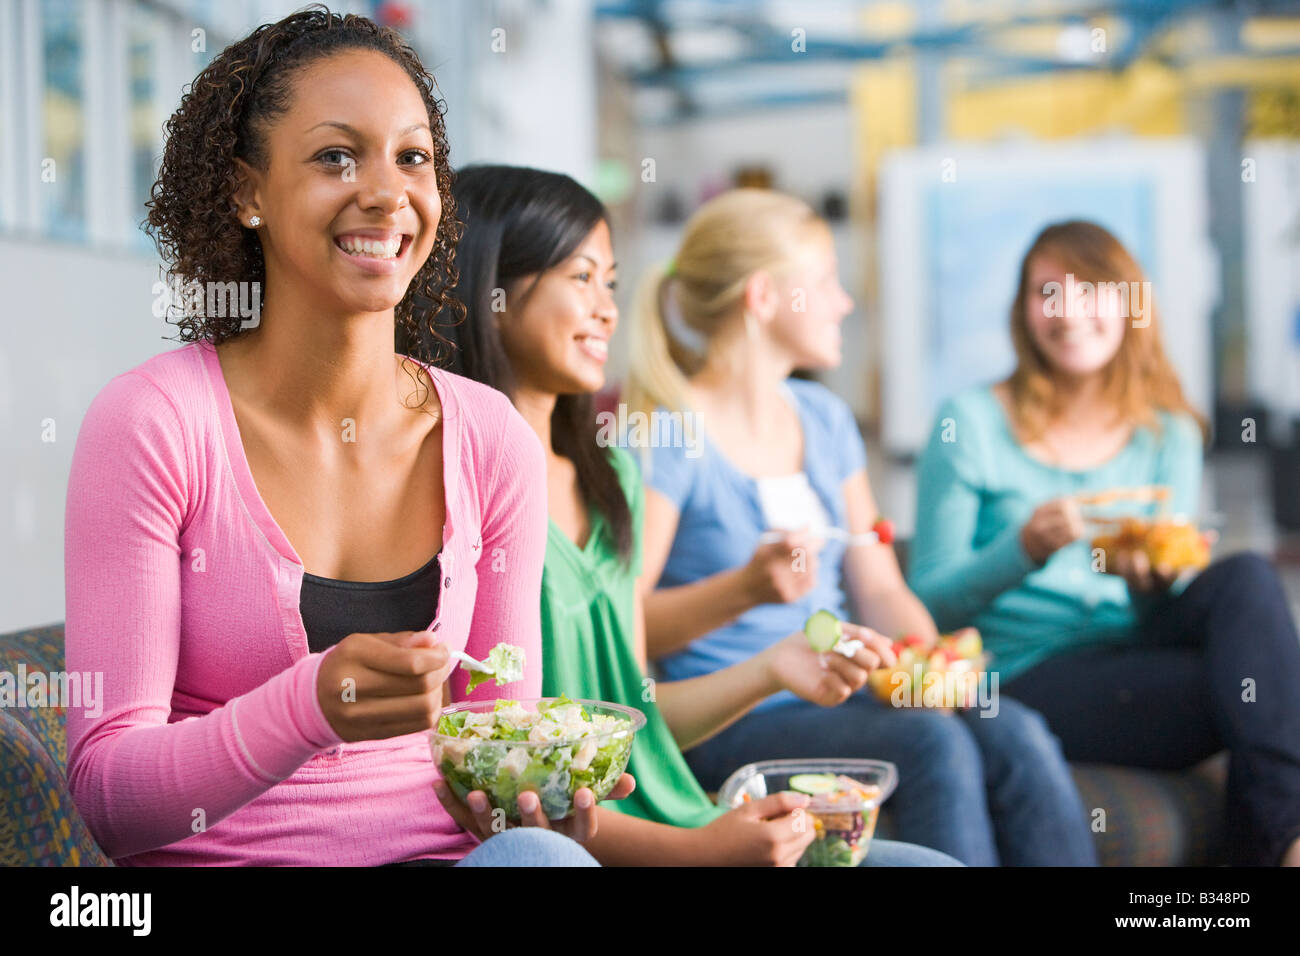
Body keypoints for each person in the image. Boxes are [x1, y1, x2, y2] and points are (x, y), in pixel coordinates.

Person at [62, 6, 625, 867]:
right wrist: (310, 706)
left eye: (414, 158)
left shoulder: (489, 439)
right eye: (336, 156)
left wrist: (537, 795)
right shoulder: (155, 424)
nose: (386, 192)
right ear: (248, 190)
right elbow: (108, 798)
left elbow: (497, 737)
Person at [409, 164, 961, 866]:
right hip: (600, 845)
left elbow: (637, 713)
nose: (608, 309)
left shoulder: (611, 485)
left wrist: (774, 667)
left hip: (678, 818)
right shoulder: (446, 492)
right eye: (581, 279)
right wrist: (701, 851)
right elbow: (516, 796)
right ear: (490, 293)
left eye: (610, 283)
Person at [623, 188, 1097, 866]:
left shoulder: (824, 420)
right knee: (931, 746)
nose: (844, 303)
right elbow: (629, 622)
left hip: (842, 696)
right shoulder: (669, 436)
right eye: (824, 282)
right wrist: (746, 589)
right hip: (738, 716)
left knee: (1014, 728)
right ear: (763, 298)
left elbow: (876, 582)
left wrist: (931, 666)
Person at [909, 219, 1300, 867]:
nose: (1069, 313)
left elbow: (1153, 603)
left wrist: (1151, 575)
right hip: (1025, 670)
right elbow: (926, 608)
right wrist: (1023, 548)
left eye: (1090, 291)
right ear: (1022, 310)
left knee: (1248, 580)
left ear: (1128, 305)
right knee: (1256, 691)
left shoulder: (1167, 432)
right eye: (1047, 293)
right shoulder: (969, 423)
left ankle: (1289, 846)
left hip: (1132, 644)